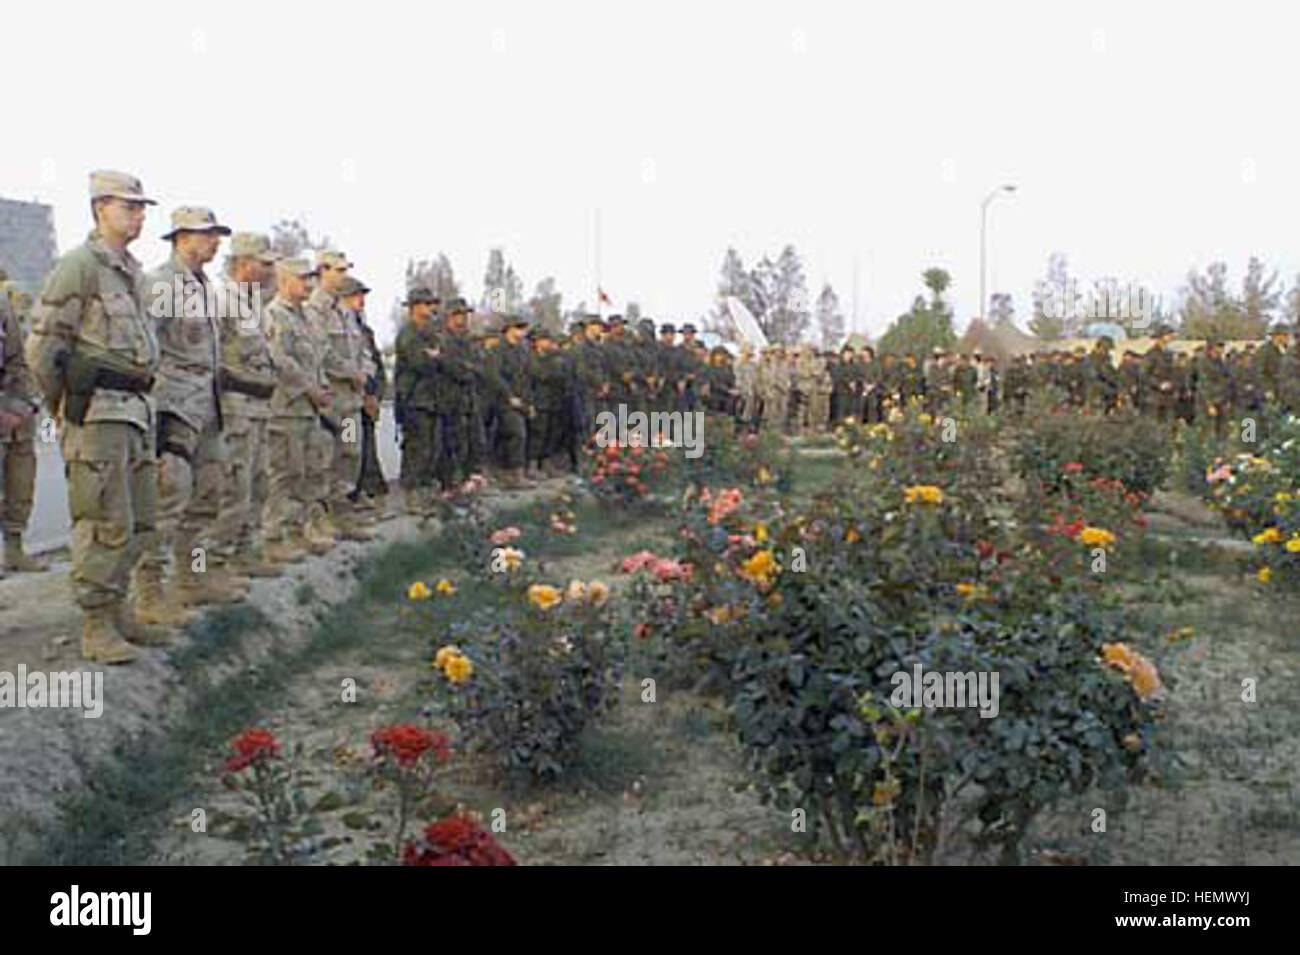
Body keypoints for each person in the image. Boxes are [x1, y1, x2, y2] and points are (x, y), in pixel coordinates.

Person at [25, 171, 164, 663]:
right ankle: (96, 622)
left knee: (142, 520)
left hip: (137, 414)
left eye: (142, 207)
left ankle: (120, 606)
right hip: (98, 415)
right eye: (130, 206)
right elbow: (43, 347)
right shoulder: (78, 267)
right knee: (103, 521)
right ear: (100, 207)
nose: (140, 215)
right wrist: (63, 406)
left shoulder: (132, 272)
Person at [263, 257, 333, 561]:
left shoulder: (306, 317)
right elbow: (281, 361)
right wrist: (310, 389)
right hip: (287, 409)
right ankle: (273, 536)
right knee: (284, 474)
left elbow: (315, 358)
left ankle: (299, 530)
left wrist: (322, 386)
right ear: (284, 281)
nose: (309, 284)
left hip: (309, 410)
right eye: (302, 278)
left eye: (310, 278)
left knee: (308, 471)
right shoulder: (275, 315)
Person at [0, 271, 46, 576]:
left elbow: (18, 359)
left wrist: (17, 407)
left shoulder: (3, 304)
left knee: (20, 482)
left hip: (12, 411)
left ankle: (14, 550)